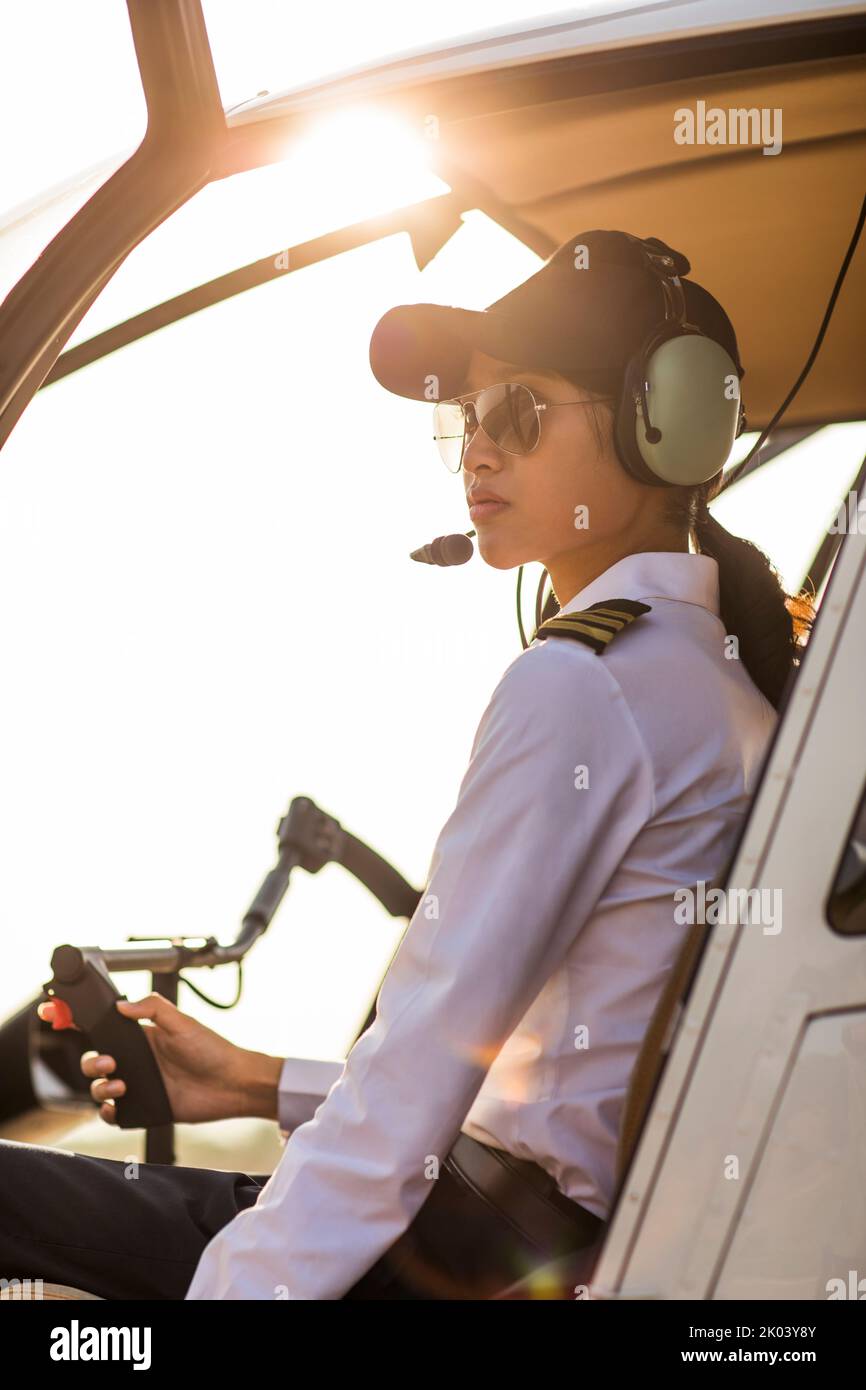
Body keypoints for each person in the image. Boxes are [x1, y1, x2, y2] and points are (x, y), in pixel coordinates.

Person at [0, 229, 813, 1301]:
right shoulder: (716, 680)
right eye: (465, 421)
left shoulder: (582, 685)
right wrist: (256, 1080)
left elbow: (421, 1075)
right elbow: (553, 1088)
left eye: (517, 414)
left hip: (471, 1257)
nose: (478, 451)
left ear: (660, 423)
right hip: (525, 1234)